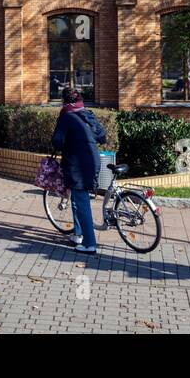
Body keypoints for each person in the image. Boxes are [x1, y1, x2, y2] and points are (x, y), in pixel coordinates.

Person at [50, 87, 106, 254]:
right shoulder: (86, 113)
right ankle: (78, 234)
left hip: (77, 164)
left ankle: (90, 244)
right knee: (77, 198)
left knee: (82, 203)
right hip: (93, 160)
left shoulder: (66, 116)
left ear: (64, 101)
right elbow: (102, 137)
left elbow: (57, 142)